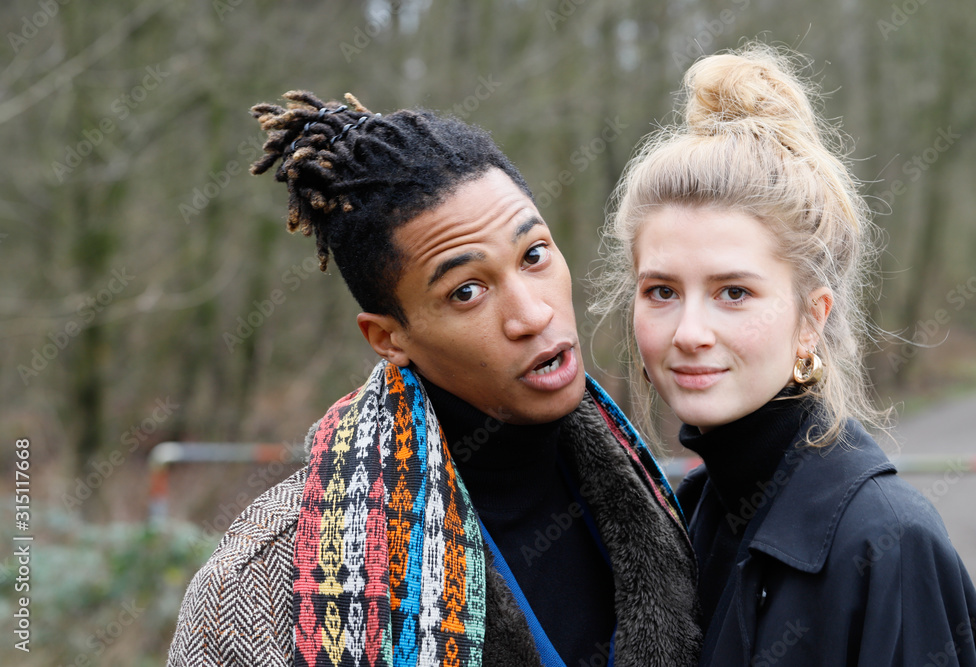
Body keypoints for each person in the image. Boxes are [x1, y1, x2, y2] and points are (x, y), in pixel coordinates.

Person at [167, 91, 702, 666]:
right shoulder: (262, 582)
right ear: (388, 338)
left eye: (534, 255)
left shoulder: (678, 506)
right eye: (466, 291)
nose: (533, 315)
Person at [592, 45, 976, 666]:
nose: (689, 332)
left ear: (812, 319)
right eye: (662, 292)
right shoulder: (682, 524)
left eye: (734, 292)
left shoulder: (887, 545)